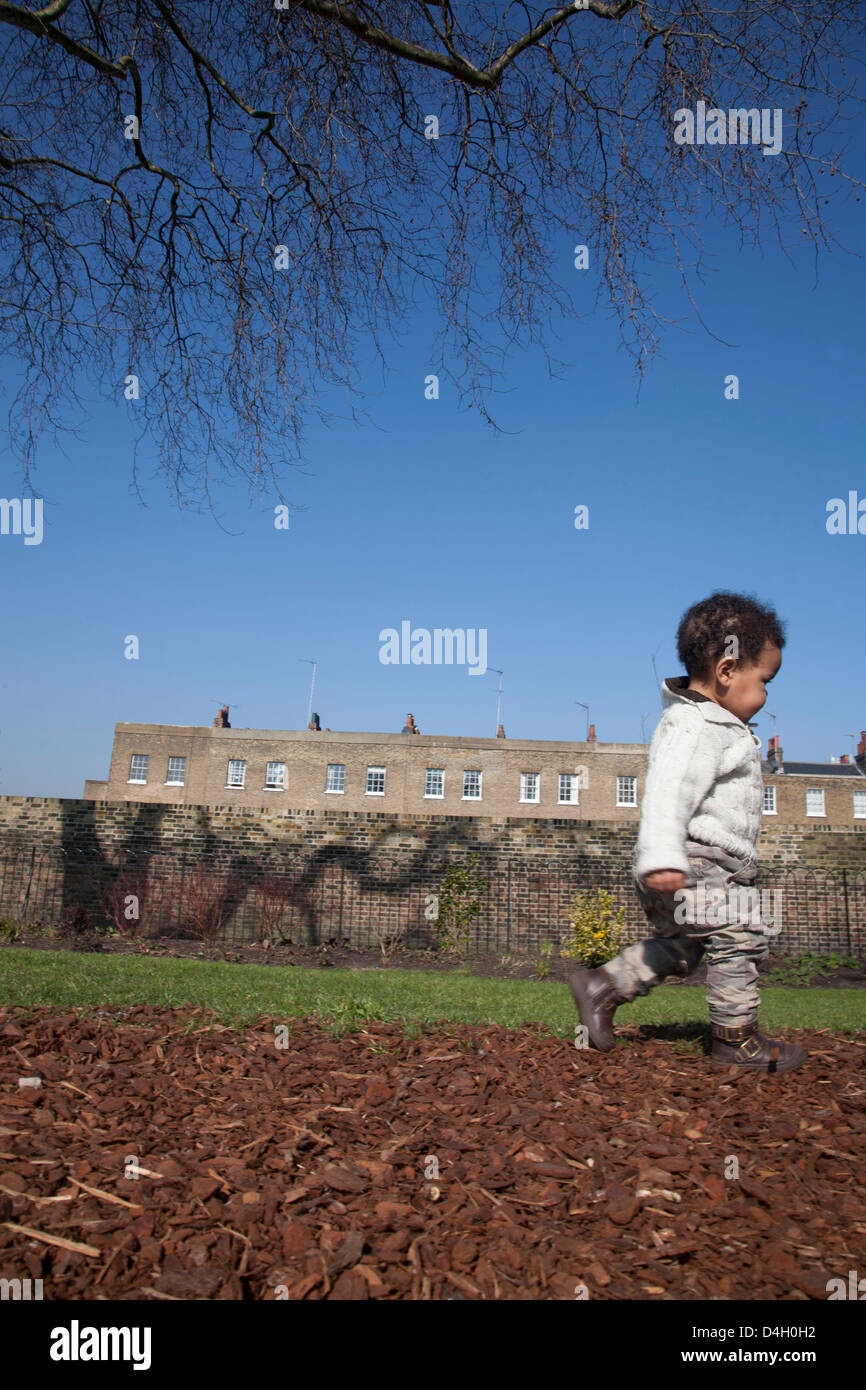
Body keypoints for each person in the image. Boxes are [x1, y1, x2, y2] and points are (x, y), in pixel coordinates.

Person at [567, 591, 806, 1073]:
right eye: (765, 681)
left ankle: (605, 985)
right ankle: (735, 1041)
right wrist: (661, 855)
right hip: (695, 864)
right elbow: (666, 791)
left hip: (691, 866)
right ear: (727, 671)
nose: (765, 696)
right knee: (741, 932)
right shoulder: (696, 724)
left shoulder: (710, 723)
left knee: (686, 945)